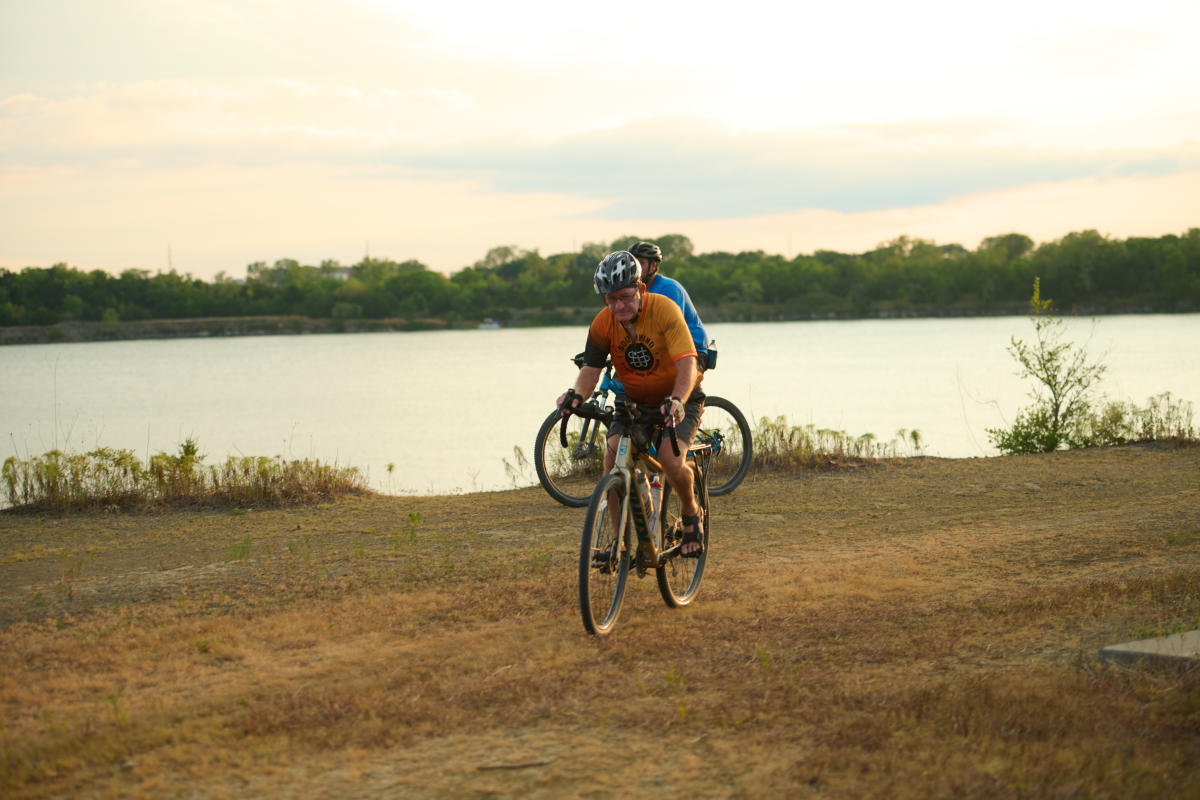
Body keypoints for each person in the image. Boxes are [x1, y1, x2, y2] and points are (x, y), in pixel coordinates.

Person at [558, 250, 705, 557]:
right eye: (610, 299)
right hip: (634, 399)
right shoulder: (602, 324)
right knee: (612, 461)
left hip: (678, 397)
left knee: (670, 460)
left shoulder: (664, 310)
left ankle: (692, 513)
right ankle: (618, 543)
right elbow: (591, 370)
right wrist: (575, 396)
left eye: (625, 297)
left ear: (641, 289)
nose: (618, 306)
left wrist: (678, 400)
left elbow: (688, 363)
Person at [627, 241, 711, 370]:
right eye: (632, 263)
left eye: (641, 263)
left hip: (693, 350)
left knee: (683, 385)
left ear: (653, 266)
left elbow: (672, 329)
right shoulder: (634, 291)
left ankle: (695, 390)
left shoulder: (668, 289)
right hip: (659, 348)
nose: (636, 268)